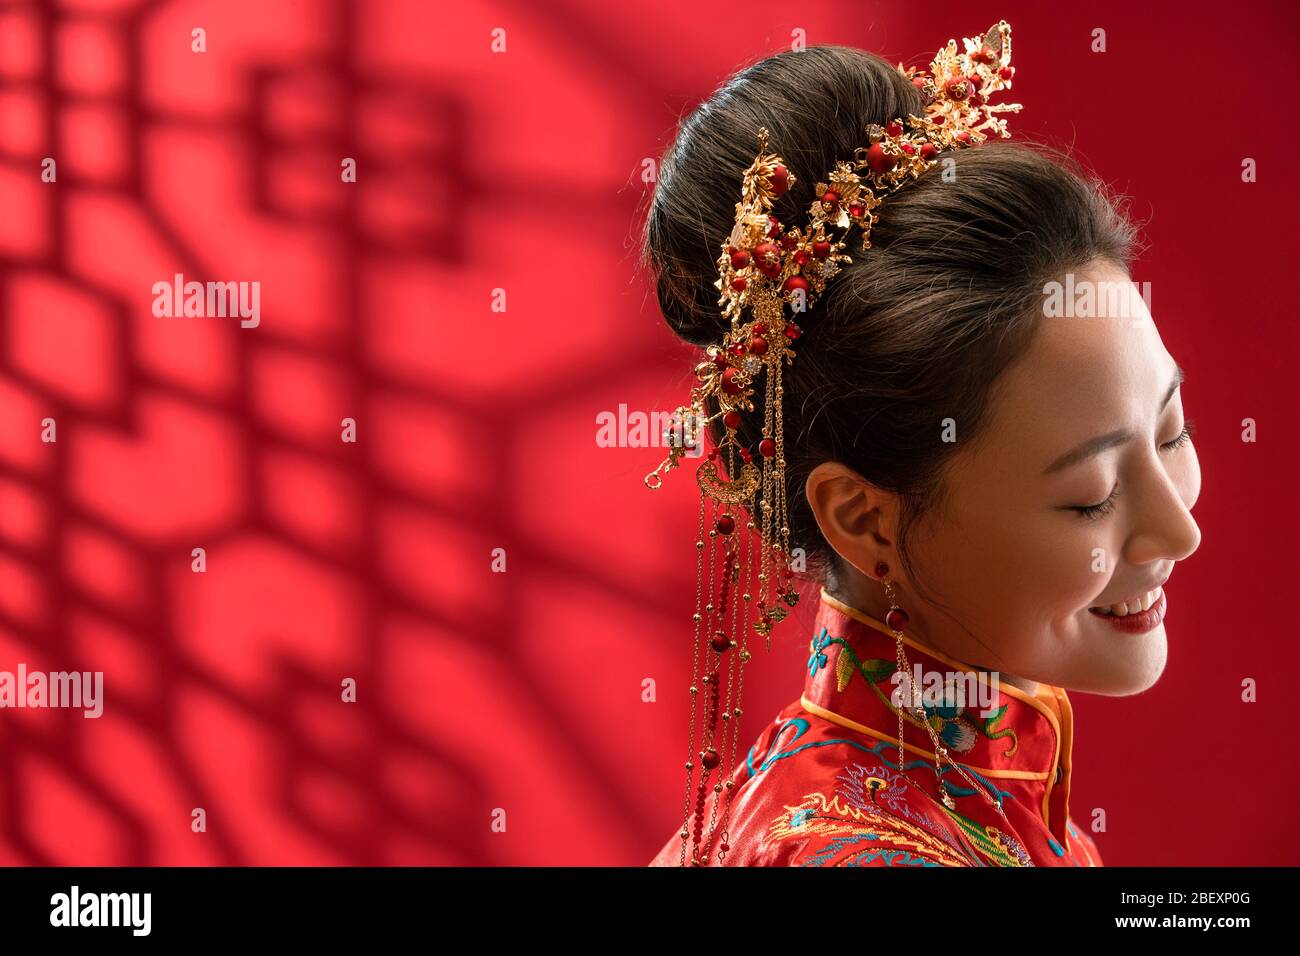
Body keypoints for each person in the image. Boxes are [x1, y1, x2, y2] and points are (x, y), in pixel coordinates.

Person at [640, 24, 1201, 866]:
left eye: (1173, 431)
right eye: (1090, 495)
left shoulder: (940, 799)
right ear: (865, 520)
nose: (1179, 531)